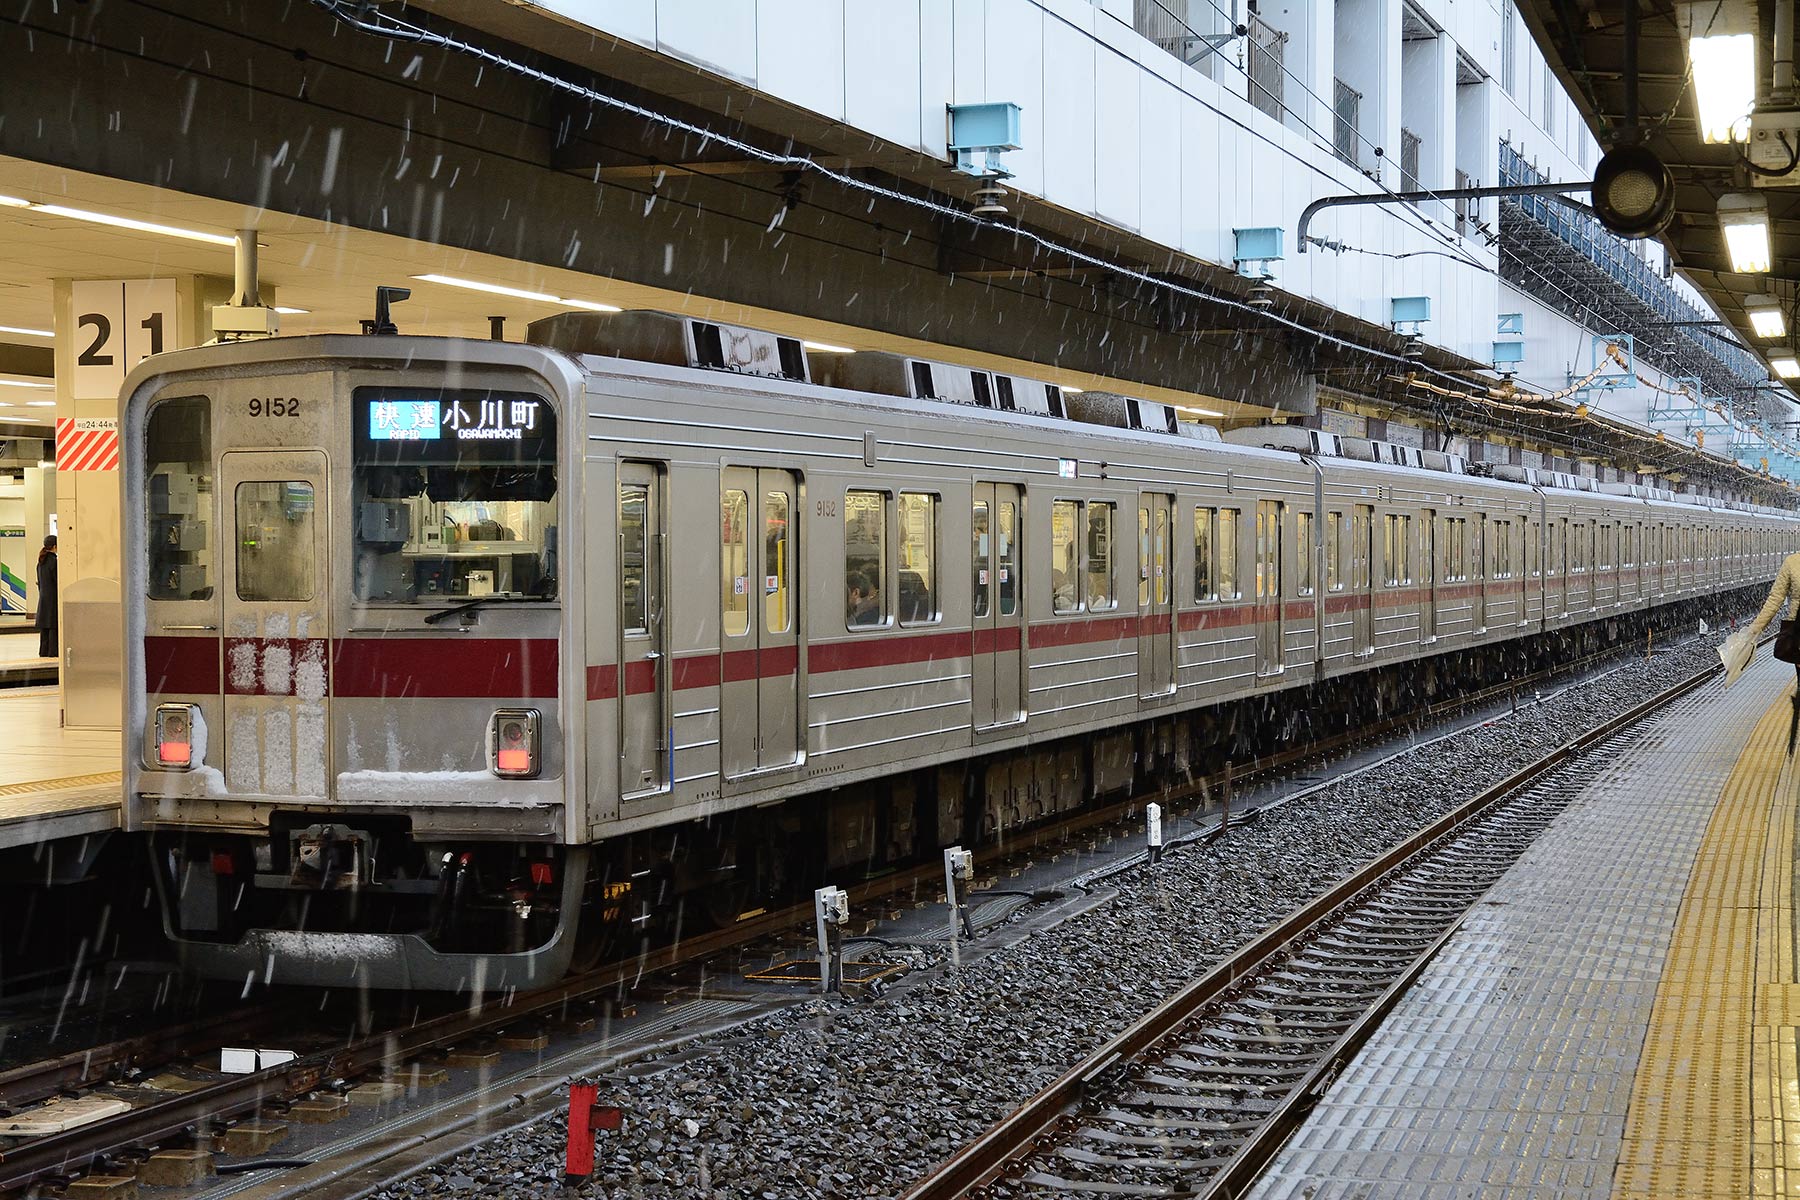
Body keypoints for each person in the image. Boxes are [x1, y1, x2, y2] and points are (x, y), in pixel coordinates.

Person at [1749, 547, 1800, 751]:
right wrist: (1755, 629)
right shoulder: (1791, 563)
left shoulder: (1792, 563)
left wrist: (1754, 630)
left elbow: (1775, 600)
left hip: (1797, 635)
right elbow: (1775, 600)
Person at [34, 534, 57, 660]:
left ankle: (43, 651)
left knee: (45, 626)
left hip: (43, 597)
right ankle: (52, 651)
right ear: (54, 546)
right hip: (53, 597)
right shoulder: (54, 561)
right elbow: (57, 580)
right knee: (53, 624)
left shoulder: (40, 562)